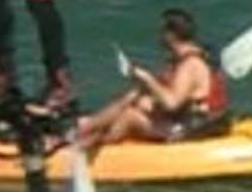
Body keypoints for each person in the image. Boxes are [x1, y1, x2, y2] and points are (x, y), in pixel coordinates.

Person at [77, 8, 228, 148]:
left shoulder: (190, 64)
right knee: (135, 97)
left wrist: (148, 79)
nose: (159, 36)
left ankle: (98, 145)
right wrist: (144, 86)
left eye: (162, 31)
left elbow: (172, 103)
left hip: (191, 127)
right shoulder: (183, 60)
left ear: (171, 35)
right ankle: (88, 127)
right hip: (182, 119)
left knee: (130, 116)